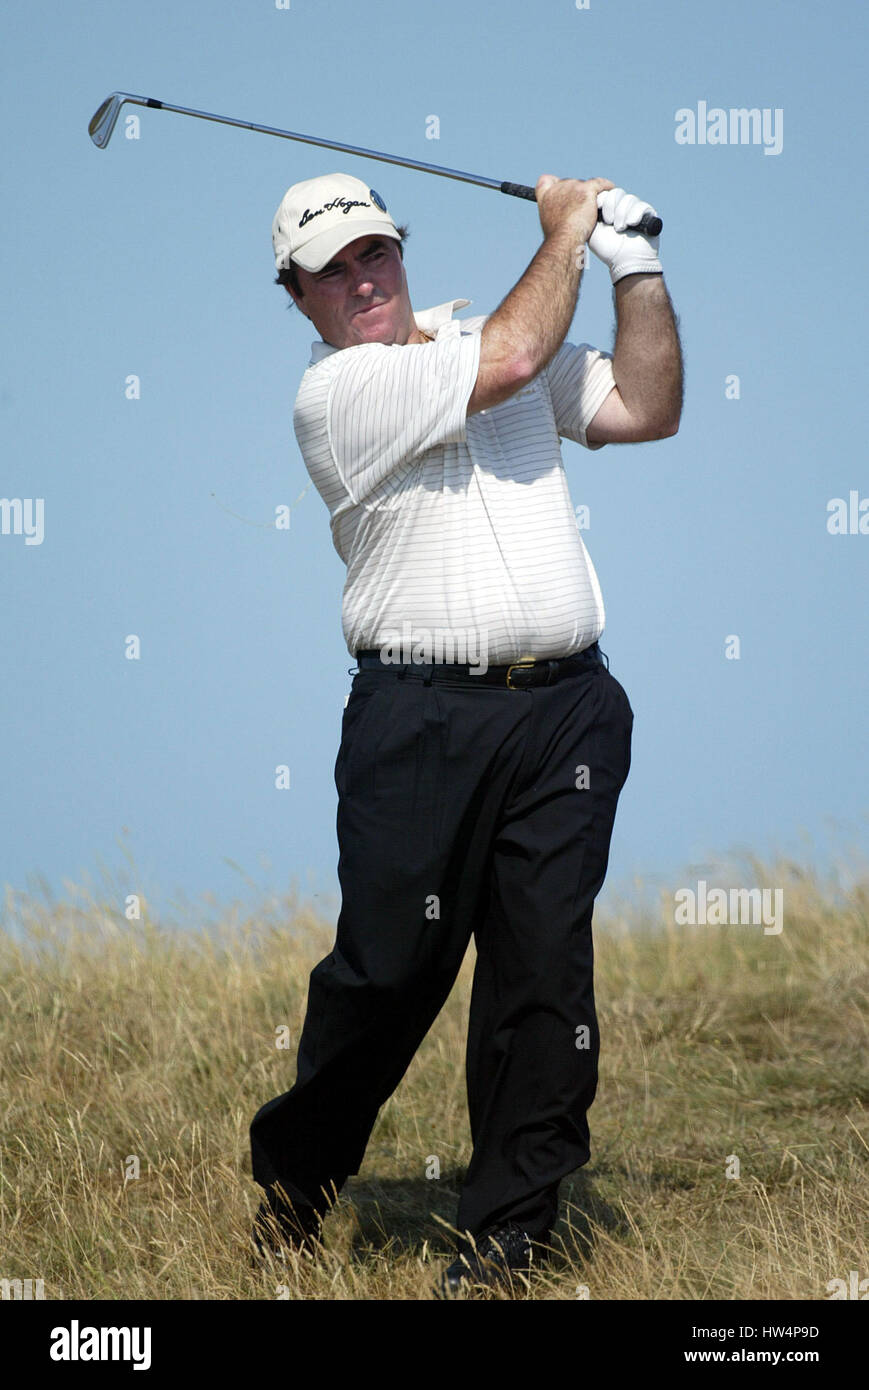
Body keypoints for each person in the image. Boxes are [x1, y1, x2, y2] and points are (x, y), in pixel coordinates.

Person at [249, 168, 682, 1297]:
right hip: (418, 723)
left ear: (399, 253)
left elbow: (646, 407)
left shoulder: (487, 332)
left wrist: (634, 263)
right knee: (388, 974)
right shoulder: (337, 398)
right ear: (294, 297)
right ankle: (298, 1176)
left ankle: (506, 1236)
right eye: (328, 271)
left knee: (542, 976)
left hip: (565, 712)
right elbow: (510, 360)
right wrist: (566, 238)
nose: (359, 281)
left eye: (372, 254)